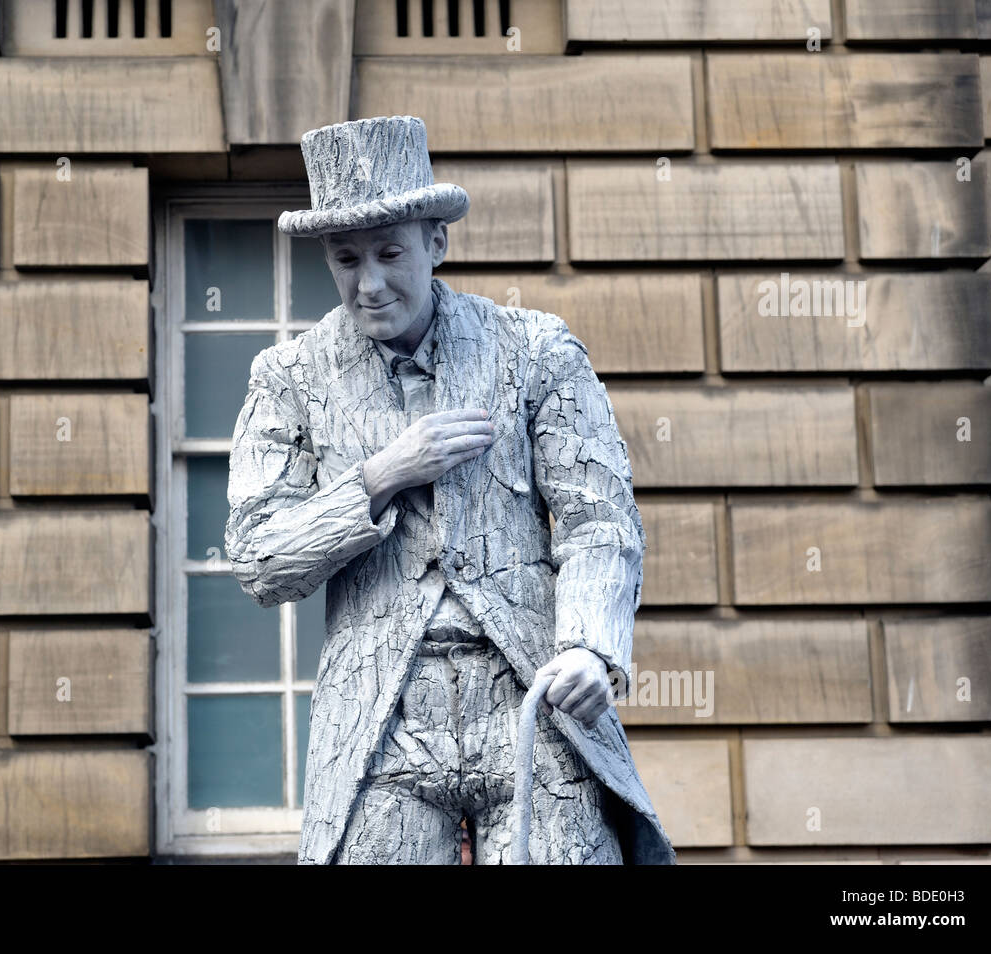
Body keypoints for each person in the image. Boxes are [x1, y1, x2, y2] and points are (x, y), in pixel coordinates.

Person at [225, 115, 674, 864]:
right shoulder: (291, 377)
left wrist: (592, 647)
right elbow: (257, 560)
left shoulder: (535, 350)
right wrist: (380, 475)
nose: (369, 283)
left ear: (438, 242)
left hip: (531, 702)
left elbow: (599, 517)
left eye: (390, 252)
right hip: (383, 722)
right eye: (346, 259)